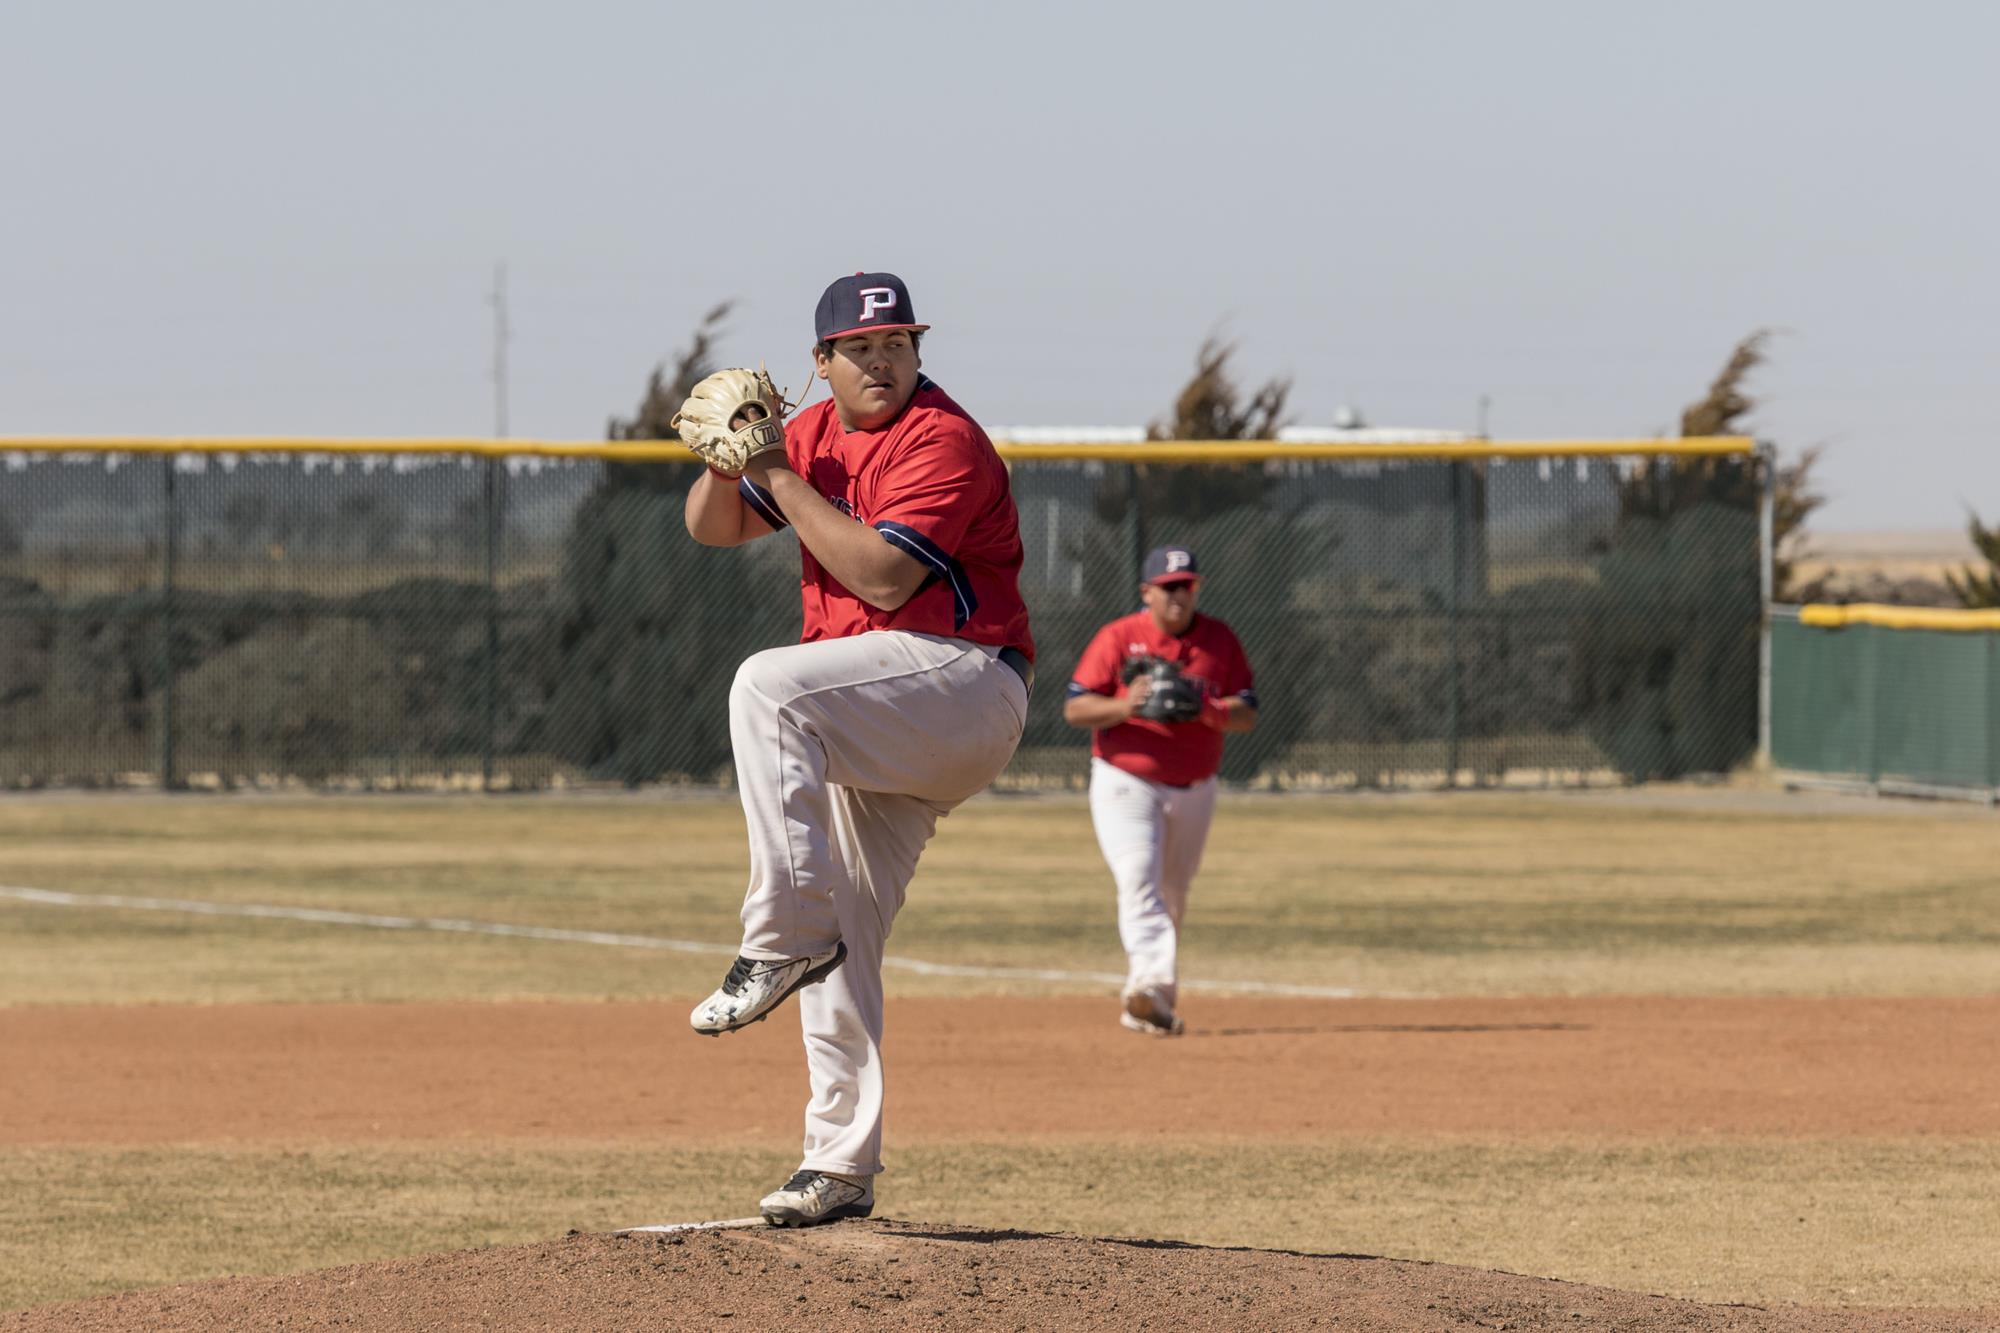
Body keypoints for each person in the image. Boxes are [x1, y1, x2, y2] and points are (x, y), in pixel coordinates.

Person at [680, 271, 1034, 1227]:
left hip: (963, 683)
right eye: (862, 348)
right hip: (876, 711)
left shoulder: (941, 438)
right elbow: (713, 529)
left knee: (765, 686)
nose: (883, 361)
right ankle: (837, 1162)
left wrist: (777, 472)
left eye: (898, 344)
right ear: (822, 361)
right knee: (847, 930)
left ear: (918, 352)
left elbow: (882, 579)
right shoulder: (808, 434)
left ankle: (780, 935)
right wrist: (727, 464)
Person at [1061, 545, 1257, 1036]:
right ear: (1146, 591)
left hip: (1195, 787)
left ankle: (1149, 1003)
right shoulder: (1119, 637)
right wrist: (1126, 705)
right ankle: (1149, 982)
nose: (1178, 595)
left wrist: (1210, 709)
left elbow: (1247, 712)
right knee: (1138, 876)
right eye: (1168, 587)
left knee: (1173, 894)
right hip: (1126, 781)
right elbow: (1076, 708)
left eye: (1186, 585)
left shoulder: (1219, 640)